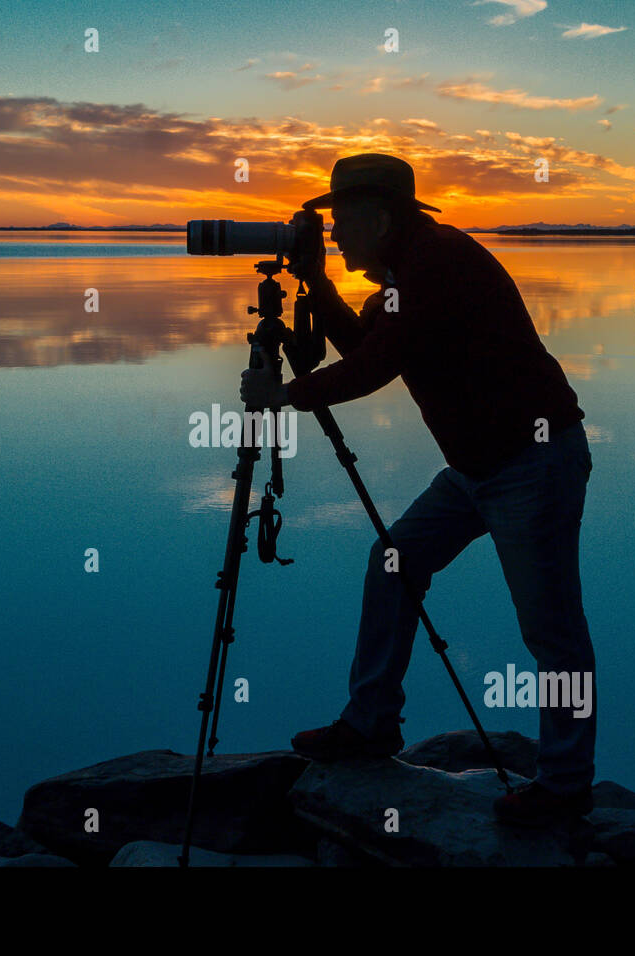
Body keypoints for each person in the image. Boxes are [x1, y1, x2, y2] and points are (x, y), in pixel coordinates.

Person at [239, 154, 596, 826]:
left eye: (342, 221)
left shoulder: (435, 266)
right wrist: (315, 278)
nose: (336, 234)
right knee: (394, 561)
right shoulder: (407, 271)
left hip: (532, 463)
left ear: (378, 218)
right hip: (477, 469)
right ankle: (371, 723)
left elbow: (374, 366)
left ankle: (566, 786)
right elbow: (369, 342)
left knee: (553, 635)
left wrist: (283, 394)